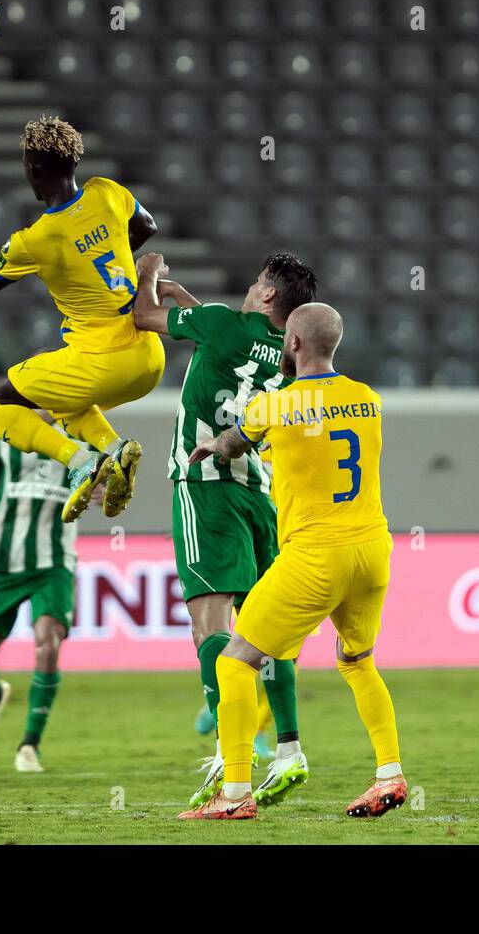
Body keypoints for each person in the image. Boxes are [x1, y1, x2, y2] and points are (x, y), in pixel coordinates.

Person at [179, 304, 405, 820]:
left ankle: (234, 796)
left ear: (295, 343)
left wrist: (214, 443)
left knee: (234, 661)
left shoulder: (276, 404)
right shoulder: (367, 399)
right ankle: (389, 773)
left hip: (315, 555)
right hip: (371, 551)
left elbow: (236, 443)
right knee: (358, 662)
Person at [132, 251, 317, 809]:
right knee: (269, 629)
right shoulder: (291, 356)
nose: (250, 288)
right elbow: (233, 348)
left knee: (209, 626)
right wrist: (191, 303)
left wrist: (148, 274)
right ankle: (288, 751)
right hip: (260, 495)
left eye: (257, 281)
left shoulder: (220, 324)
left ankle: (227, 752)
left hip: (203, 485)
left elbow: (142, 317)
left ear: (266, 296)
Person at [0, 115, 163, 524]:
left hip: (103, 365)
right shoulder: (106, 192)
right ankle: (115, 451)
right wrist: (101, 257)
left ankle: (77, 462)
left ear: (33, 169)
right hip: (149, 357)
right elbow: (146, 226)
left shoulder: (35, 239)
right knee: (58, 394)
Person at [0, 412, 87, 773]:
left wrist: (102, 489)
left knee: (47, 644)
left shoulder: (83, 432)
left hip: (54, 563)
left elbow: (103, 487)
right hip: (3, 564)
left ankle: (29, 745)